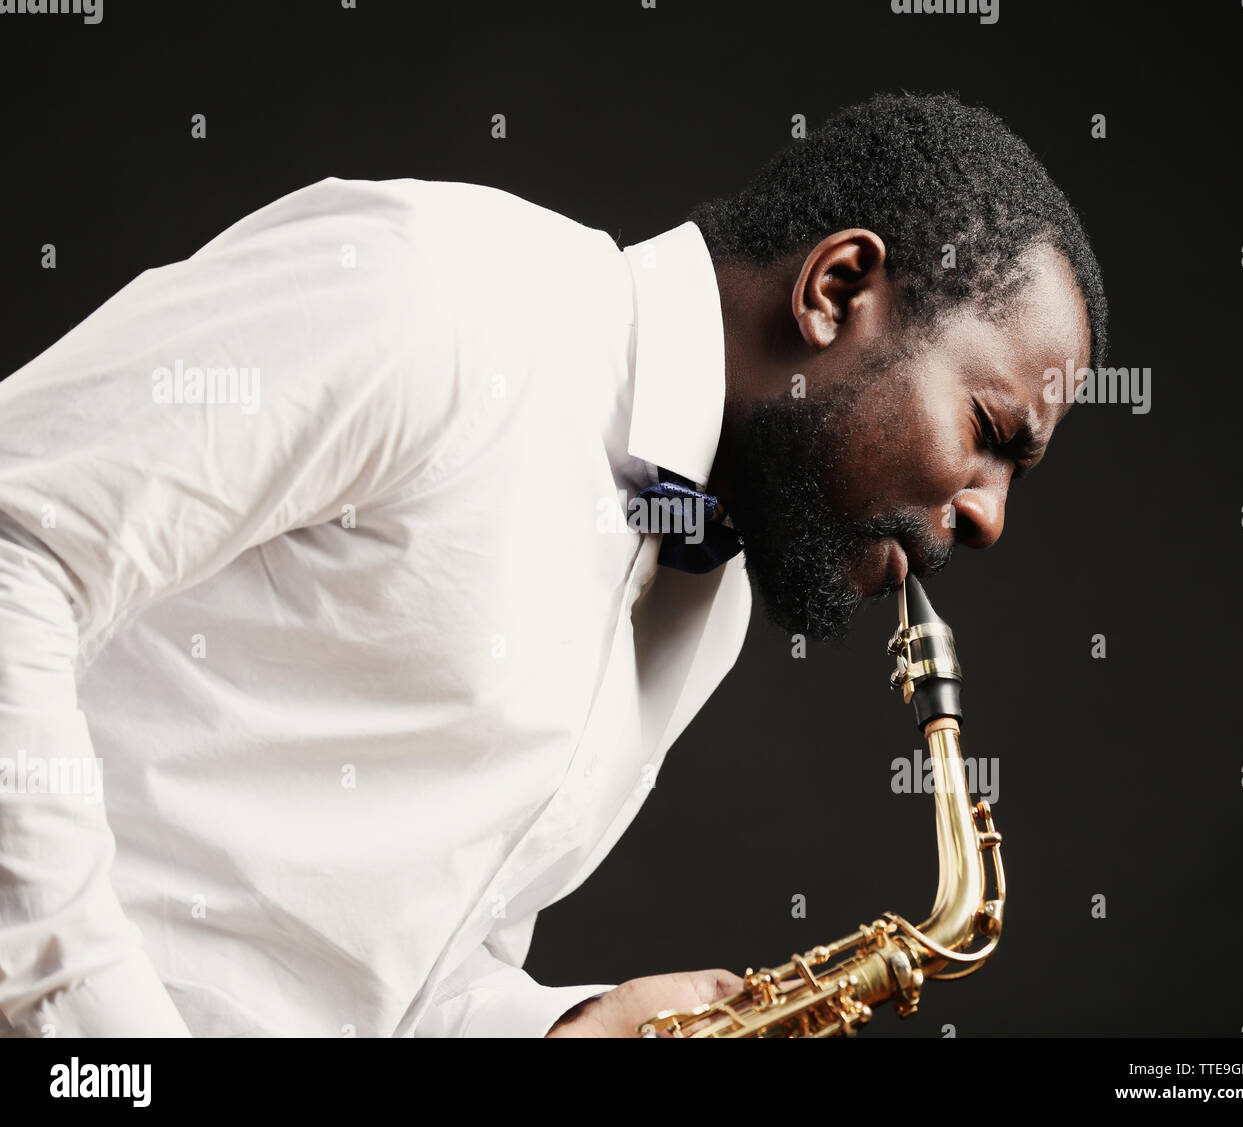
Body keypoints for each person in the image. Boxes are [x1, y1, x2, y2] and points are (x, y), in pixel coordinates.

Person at [0, 92, 1105, 1038]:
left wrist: (552, 1024)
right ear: (836, 289)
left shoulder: (705, 594)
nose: (990, 515)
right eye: (991, 432)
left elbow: (392, 962)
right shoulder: (439, 295)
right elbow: (15, 546)